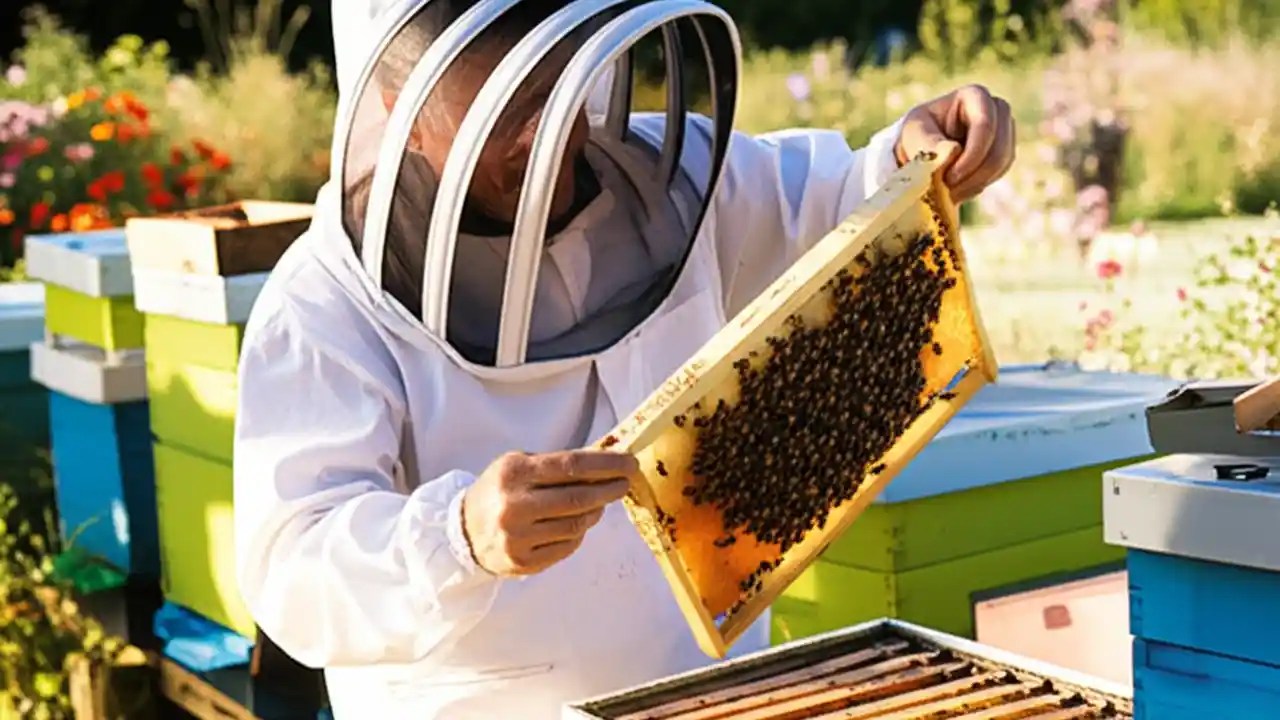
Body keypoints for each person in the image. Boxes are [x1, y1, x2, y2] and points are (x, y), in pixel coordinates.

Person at [232, 1, 1016, 718]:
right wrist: (459, 536)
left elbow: (834, 208)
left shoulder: (670, 181)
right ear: (400, 106)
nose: (544, 133)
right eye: (503, 104)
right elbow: (295, 572)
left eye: (555, 86)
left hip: (722, 696)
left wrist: (911, 159)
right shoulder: (323, 305)